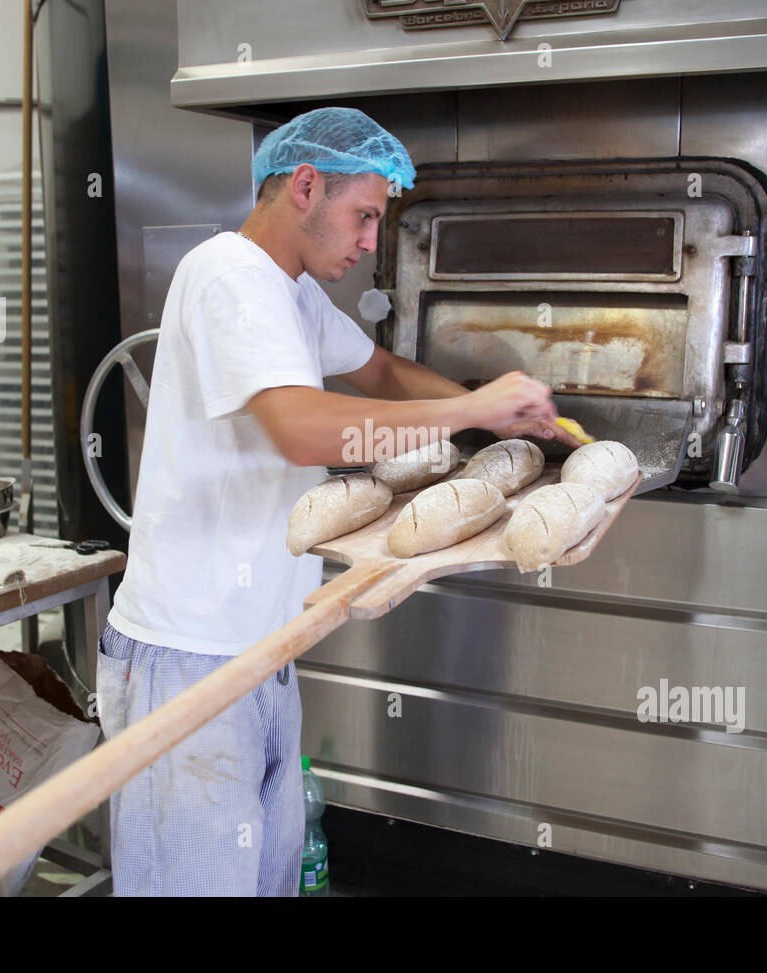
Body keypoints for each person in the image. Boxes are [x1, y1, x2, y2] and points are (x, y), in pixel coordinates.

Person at [97, 106, 575, 896]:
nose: (366, 242)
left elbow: (381, 375)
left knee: (268, 877)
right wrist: (467, 413)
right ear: (306, 186)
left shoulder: (290, 293)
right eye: (363, 217)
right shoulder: (232, 278)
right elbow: (303, 432)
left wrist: (497, 411)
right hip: (189, 655)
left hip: (260, 647)